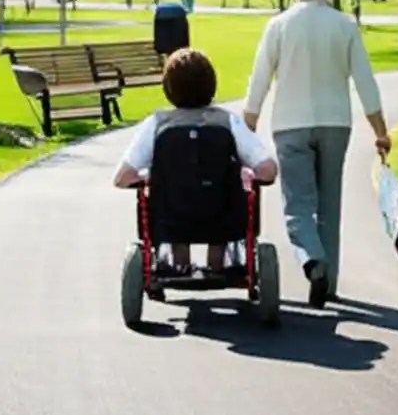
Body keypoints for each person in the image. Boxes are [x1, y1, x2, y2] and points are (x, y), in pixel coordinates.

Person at [244, 0, 391, 308]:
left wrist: (248, 126)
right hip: (335, 123)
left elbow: (259, 79)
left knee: (297, 205)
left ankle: (312, 259)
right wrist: (380, 130)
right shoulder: (344, 26)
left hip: (290, 124)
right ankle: (329, 283)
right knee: (329, 205)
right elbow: (365, 82)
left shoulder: (279, 25)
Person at [114, 48, 278, 272]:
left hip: (172, 216)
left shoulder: (157, 124)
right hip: (221, 214)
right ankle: (217, 263)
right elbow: (268, 170)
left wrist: (147, 175)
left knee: (172, 197)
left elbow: (122, 178)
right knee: (222, 194)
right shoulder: (227, 122)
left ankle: (180, 263)